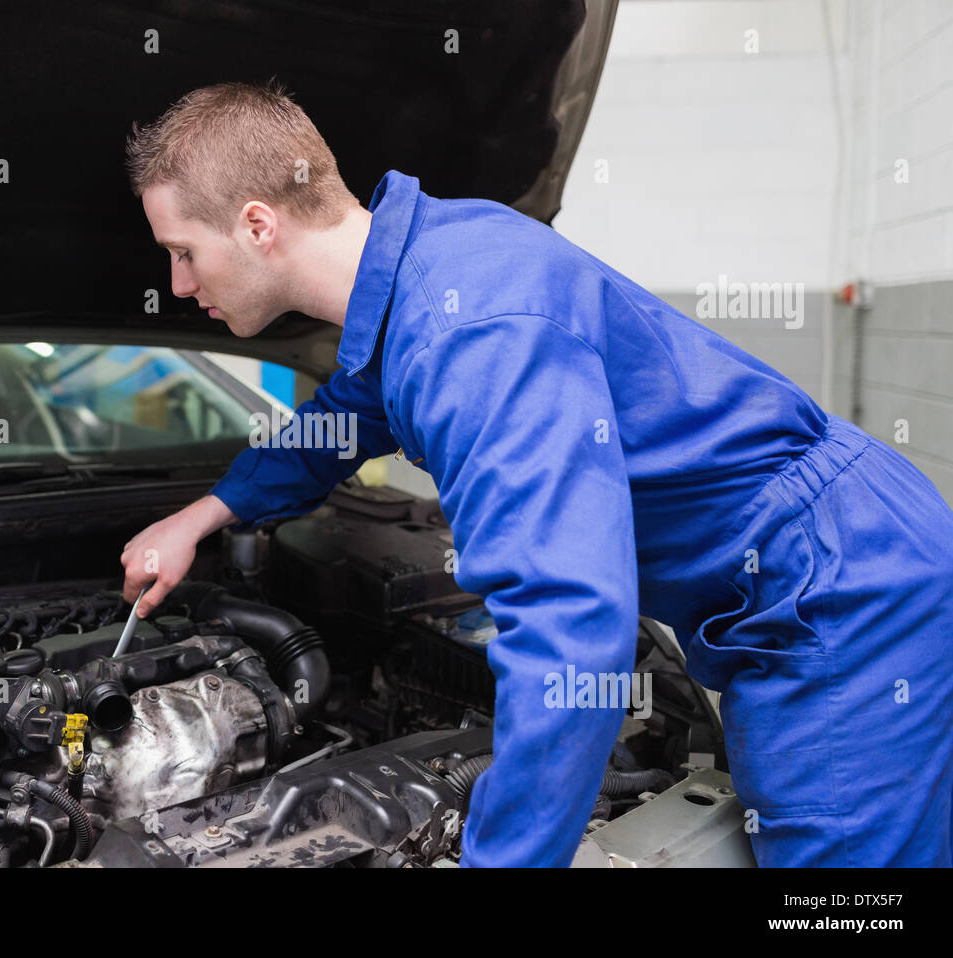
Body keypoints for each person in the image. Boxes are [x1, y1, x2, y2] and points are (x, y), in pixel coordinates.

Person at [119, 79, 953, 867]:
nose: (177, 283)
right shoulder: (426, 268)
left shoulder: (473, 332)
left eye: (183, 251)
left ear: (259, 224)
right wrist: (204, 514)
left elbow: (573, 630)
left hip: (839, 596)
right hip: (810, 562)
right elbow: (344, 418)